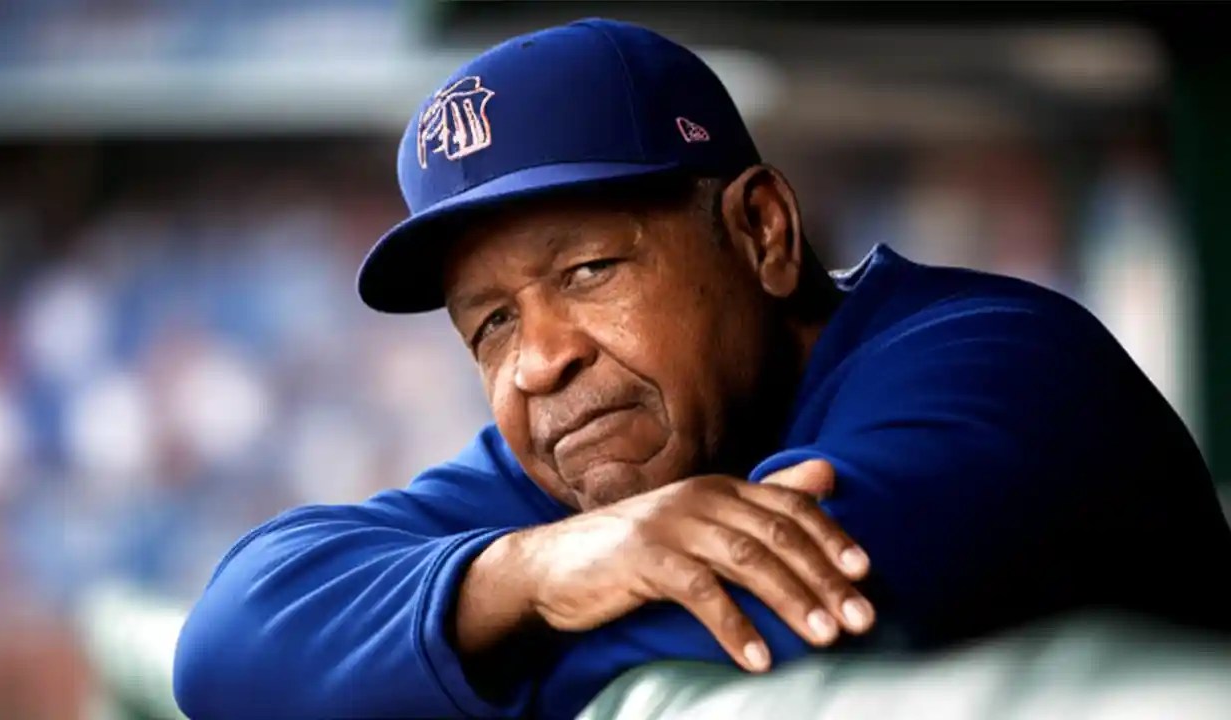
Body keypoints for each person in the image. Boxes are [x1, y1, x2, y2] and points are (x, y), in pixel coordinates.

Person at [172, 18, 1231, 720]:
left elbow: (808, 602)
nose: (539, 361)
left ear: (762, 231)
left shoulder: (999, 361)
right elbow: (226, 646)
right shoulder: (599, 465)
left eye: (588, 270)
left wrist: (459, 652)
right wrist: (534, 574)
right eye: (488, 324)